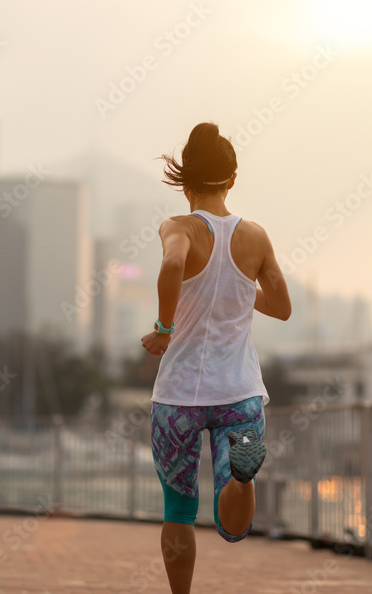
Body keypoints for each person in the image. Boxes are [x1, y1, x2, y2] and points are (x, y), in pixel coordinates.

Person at [140, 121, 292, 594]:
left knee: (178, 512)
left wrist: (165, 329)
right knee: (233, 527)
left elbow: (171, 265)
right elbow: (283, 308)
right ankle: (242, 480)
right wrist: (240, 292)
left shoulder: (178, 227)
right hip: (239, 393)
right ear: (231, 179)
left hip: (180, 396)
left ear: (184, 183)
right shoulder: (256, 236)